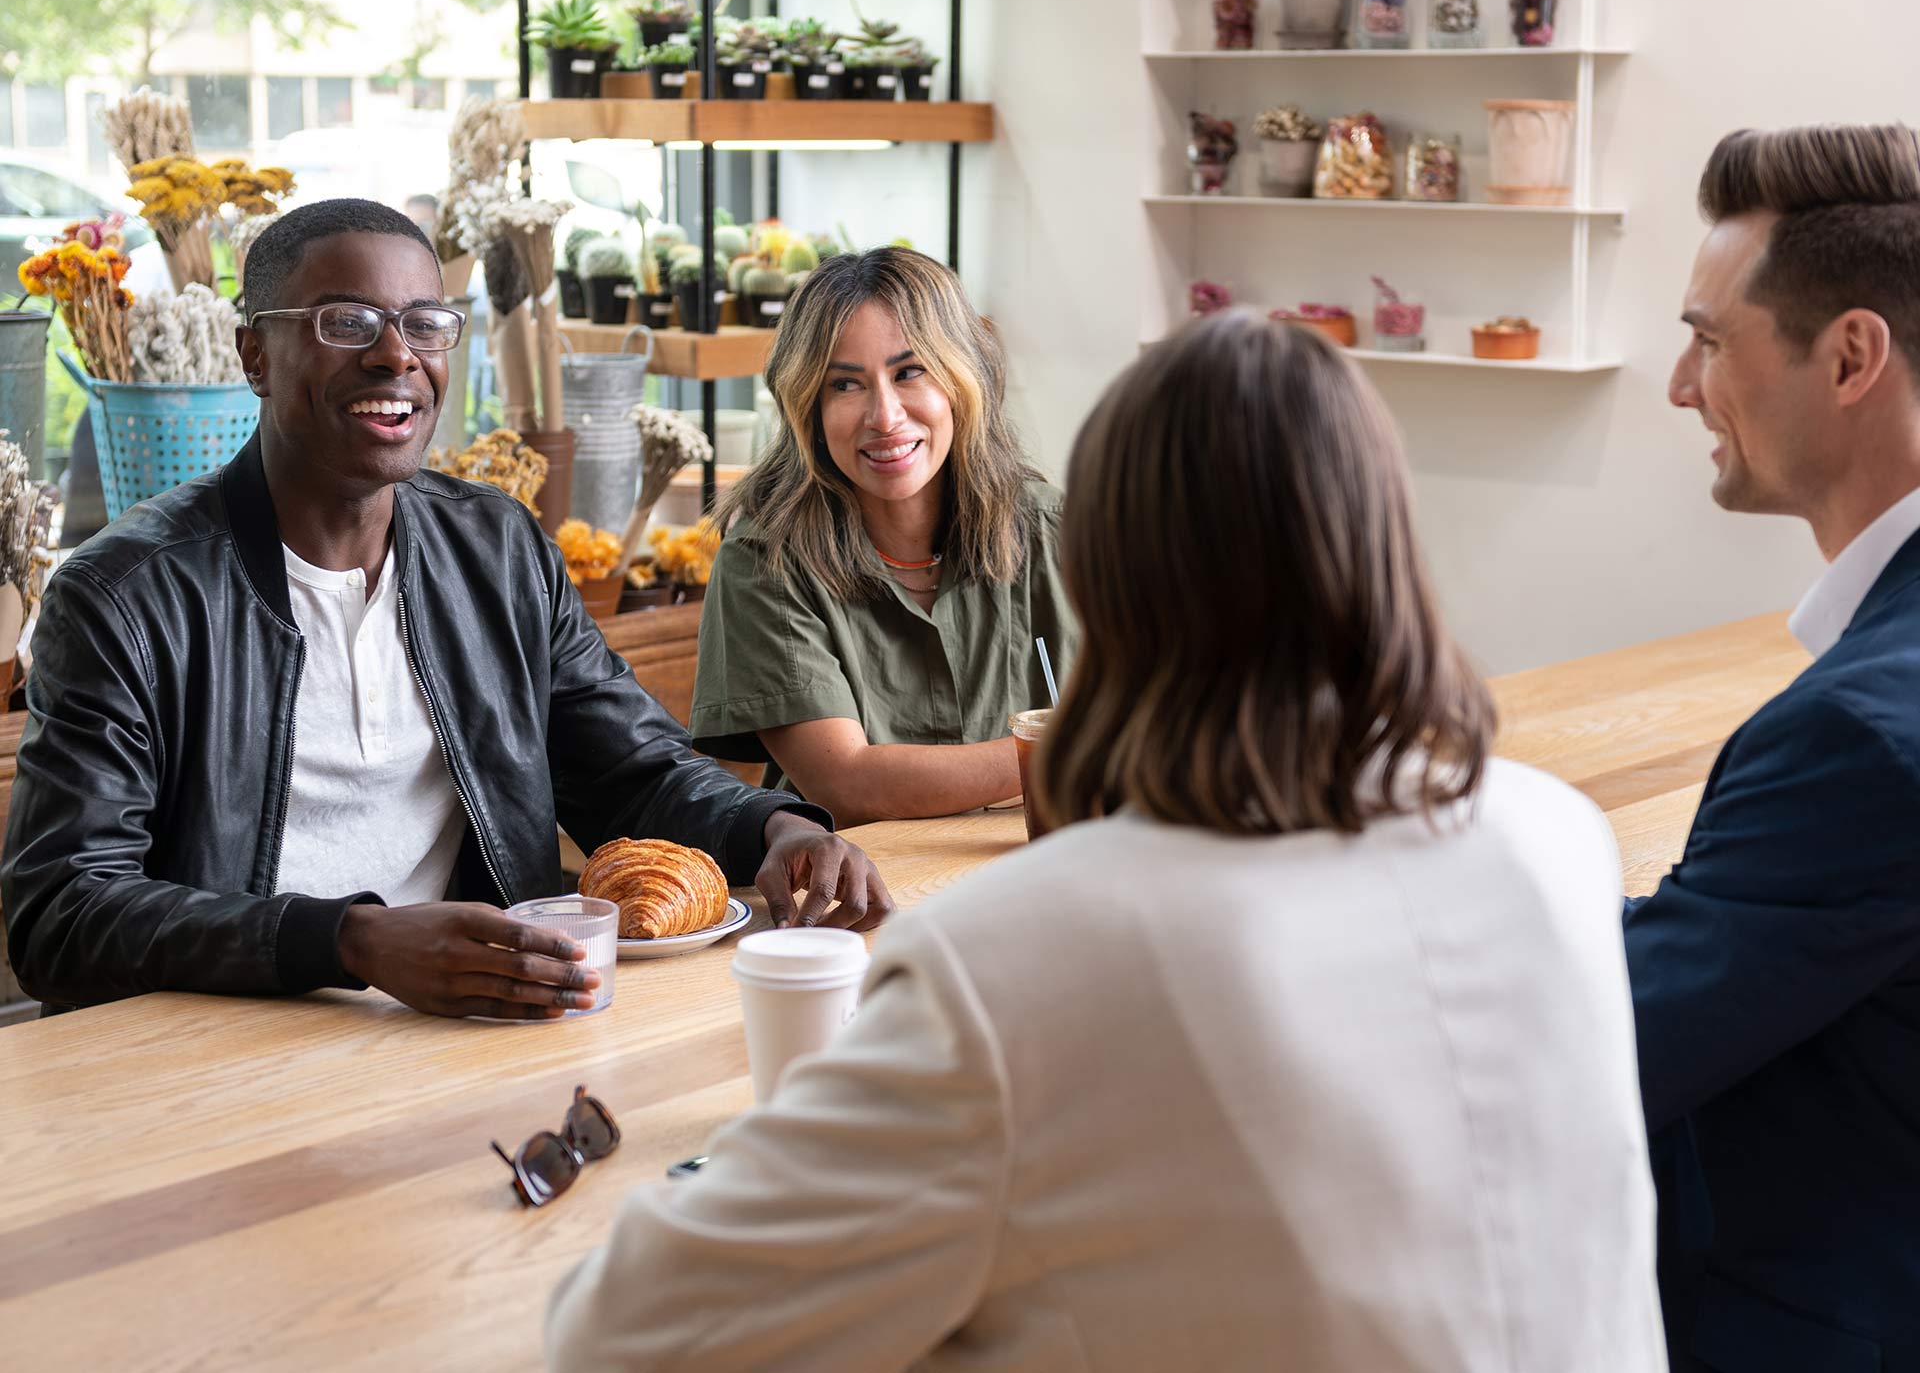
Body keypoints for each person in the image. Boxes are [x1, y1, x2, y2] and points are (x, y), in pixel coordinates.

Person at [546, 313, 1666, 1372]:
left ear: (1104, 577)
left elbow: (629, 1333)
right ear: (1392, 537)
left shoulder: (1015, 956)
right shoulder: (1559, 841)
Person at [1, 198, 891, 1020]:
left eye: (425, 323)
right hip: (212, 1049)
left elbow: (633, 771)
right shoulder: (126, 595)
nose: (398, 356)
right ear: (255, 356)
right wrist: (349, 941)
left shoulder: (497, 551)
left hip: (472, 1022)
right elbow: (62, 912)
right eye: (346, 322)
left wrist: (778, 828)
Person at [1629, 123, 1920, 1371]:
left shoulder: (1854, 734)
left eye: (1706, 339)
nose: (1683, 387)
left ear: (1851, 354)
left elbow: (1604, 1044)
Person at [689, 247, 1076, 825]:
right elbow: (848, 785)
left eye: (909, 372)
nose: (886, 416)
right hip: (862, 901)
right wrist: (1070, 749)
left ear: (960, 379)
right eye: (845, 385)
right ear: (807, 407)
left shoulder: (1056, 531)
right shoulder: (765, 563)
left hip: (1040, 880)